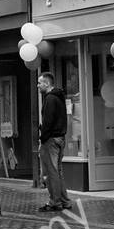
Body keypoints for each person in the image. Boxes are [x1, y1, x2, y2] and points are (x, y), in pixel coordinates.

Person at [37, 71, 73, 213]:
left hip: (51, 139)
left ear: (47, 83)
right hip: (60, 138)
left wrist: (43, 138)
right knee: (57, 171)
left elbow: (48, 121)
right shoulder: (59, 97)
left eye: (40, 83)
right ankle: (65, 201)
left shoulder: (50, 99)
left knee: (51, 172)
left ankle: (54, 202)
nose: (38, 85)